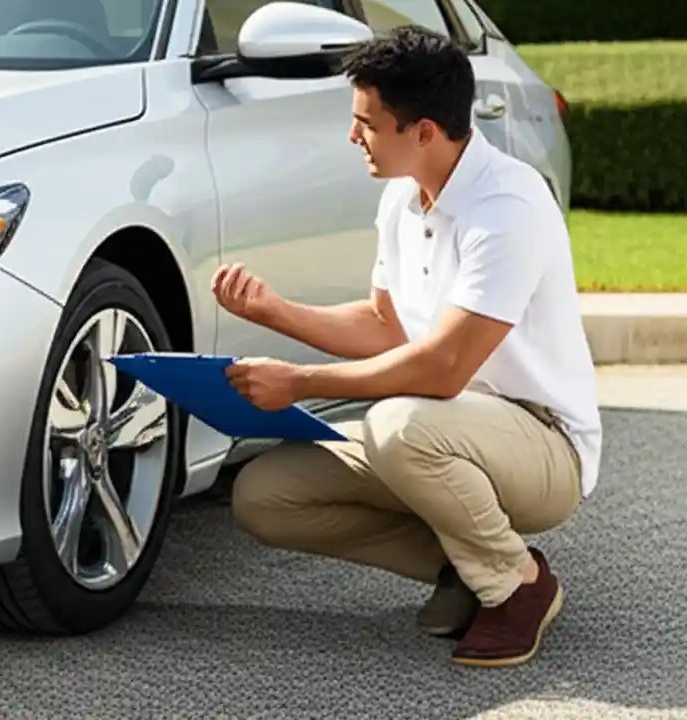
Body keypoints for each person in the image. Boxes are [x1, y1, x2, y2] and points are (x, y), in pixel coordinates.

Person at [212, 25, 601, 668]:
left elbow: (444, 368)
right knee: (266, 495)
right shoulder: (402, 197)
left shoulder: (508, 207)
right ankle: (475, 565)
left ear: (422, 131)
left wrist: (301, 382)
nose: (352, 137)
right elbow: (384, 325)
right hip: (436, 432)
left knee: (397, 421)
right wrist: (273, 311)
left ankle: (517, 588)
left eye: (367, 122)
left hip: (540, 444)